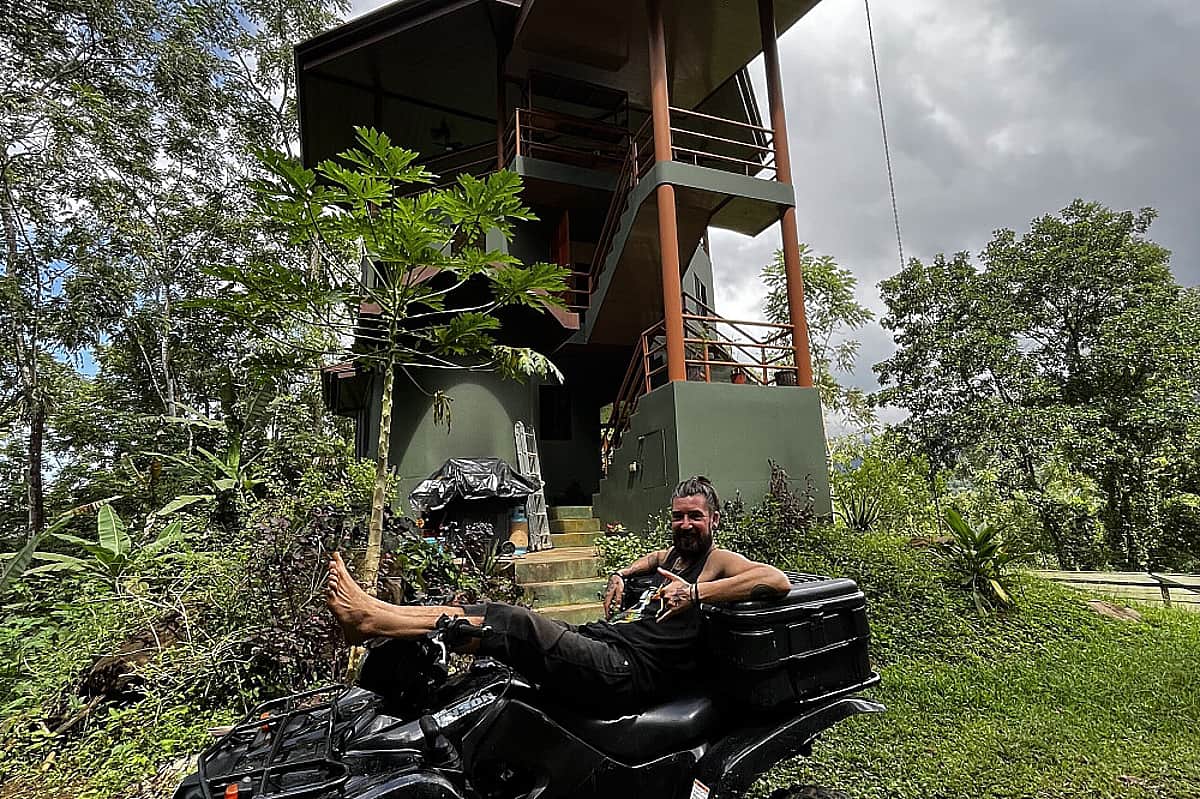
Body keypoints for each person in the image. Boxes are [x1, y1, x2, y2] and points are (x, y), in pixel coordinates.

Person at [326, 476, 791, 714]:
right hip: (605, 641)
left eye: (695, 517)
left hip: (626, 673)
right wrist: (621, 575)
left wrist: (697, 592)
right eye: (678, 517)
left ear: (713, 521)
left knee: (514, 623)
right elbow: (649, 560)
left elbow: (775, 580)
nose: (686, 525)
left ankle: (371, 622)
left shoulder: (718, 561)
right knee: (501, 625)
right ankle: (384, 613)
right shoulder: (673, 554)